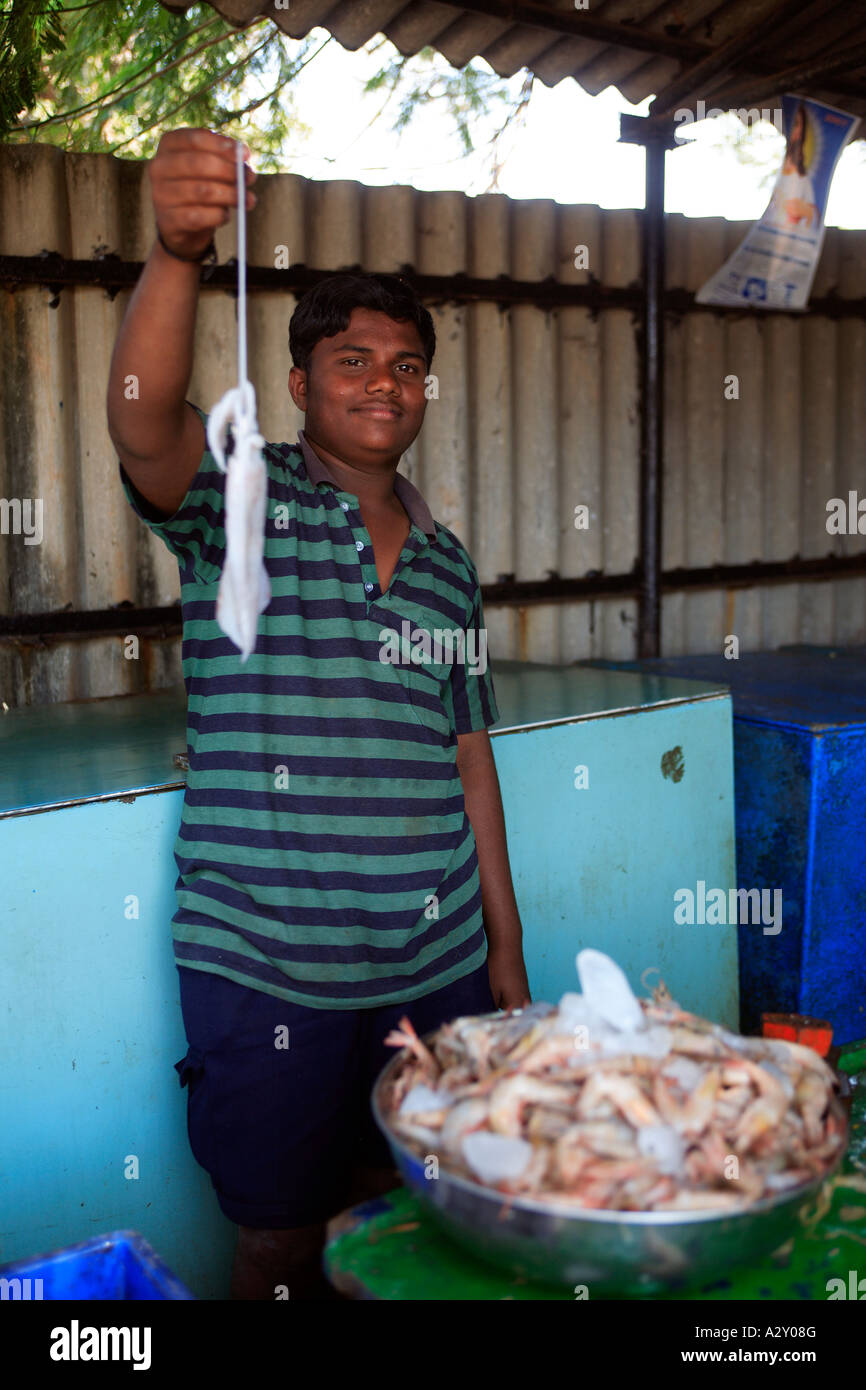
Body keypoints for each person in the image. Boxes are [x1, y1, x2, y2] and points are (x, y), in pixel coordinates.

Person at [106, 127, 531, 1301]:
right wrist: (178, 252)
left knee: (418, 1217)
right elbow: (143, 425)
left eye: (404, 365)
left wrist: (501, 948)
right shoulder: (242, 498)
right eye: (352, 360)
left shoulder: (447, 565)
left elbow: (469, 757)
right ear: (298, 385)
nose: (383, 383)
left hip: (435, 965)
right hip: (267, 964)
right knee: (281, 1244)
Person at [767, 102, 818, 229]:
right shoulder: (774, 169)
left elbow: (814, 221)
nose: (792, 130)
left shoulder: (803, 180)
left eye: (795, 124)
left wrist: (806, 211)